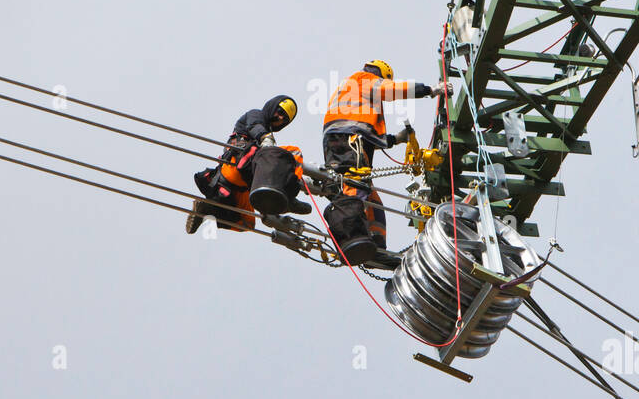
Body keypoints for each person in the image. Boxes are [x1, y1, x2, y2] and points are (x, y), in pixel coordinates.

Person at [320, 60, 446, 266]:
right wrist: (429, 90)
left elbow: (370, 135)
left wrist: (397, 138)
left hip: (343, 138)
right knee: (356, 184)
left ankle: (376, 248)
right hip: (350, 138)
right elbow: (393, 90)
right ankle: (352, 237)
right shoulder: (365, 79)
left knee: (371, 199)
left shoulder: (355, 96)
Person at [187, 95, 308, 234]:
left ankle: (206, 211)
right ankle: (291, 193)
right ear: (272, 107)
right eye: (280, 112)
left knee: (247, 223)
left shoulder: (266, 142)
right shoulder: (256, 115)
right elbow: (254, 125)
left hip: (239, 185)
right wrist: (265, 138)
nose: (280, 118)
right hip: (237, 165)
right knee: (294, 153)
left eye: (285, 119)